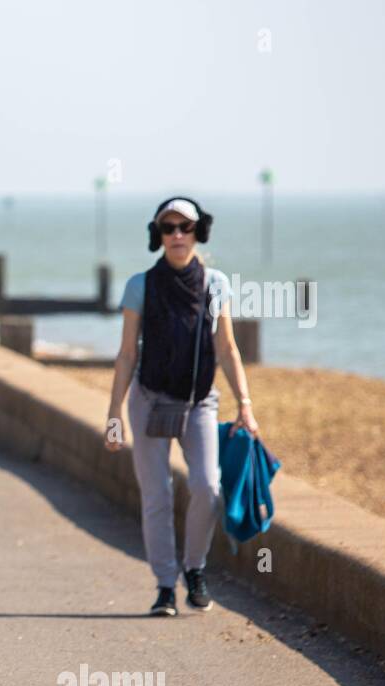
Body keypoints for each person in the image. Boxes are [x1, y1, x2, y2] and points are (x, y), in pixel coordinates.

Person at [104, 197, 259, 616]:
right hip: (149, 402)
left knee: (207, 488)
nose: (176, 235)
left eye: (184, 227)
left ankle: (195, 569)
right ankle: (163, 587)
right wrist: (115, 412)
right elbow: (126, 355)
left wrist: (245, 403)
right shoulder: (140, 286)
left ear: (198, 232)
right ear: (158, 235)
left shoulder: (216, 285)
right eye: (168, 228)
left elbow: (226, 348)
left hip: (199, 404)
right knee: (156, 496)